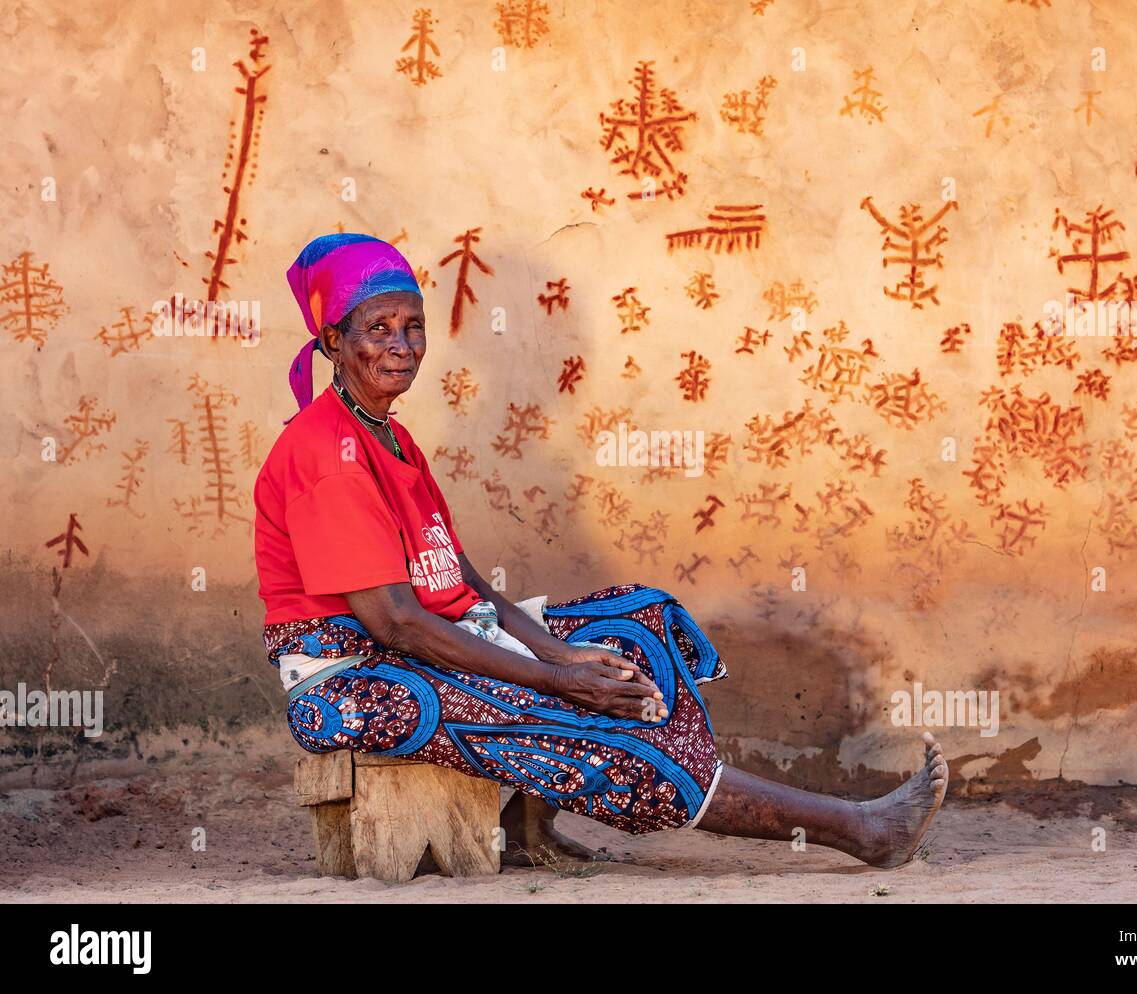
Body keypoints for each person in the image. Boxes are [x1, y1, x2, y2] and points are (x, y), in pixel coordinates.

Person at [253, 232, 947, 867]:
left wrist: (562, 652)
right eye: (377, 329)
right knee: (583, 721)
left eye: (413, 328)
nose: (401, 346)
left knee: (634, 621)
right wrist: (557, 680)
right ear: (334, 342)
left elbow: (461, 581)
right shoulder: (331, 453)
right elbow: (396, 623)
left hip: (427, 638)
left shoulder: (389, 435)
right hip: (354, 680)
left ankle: (529, 829)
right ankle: (857, 829)